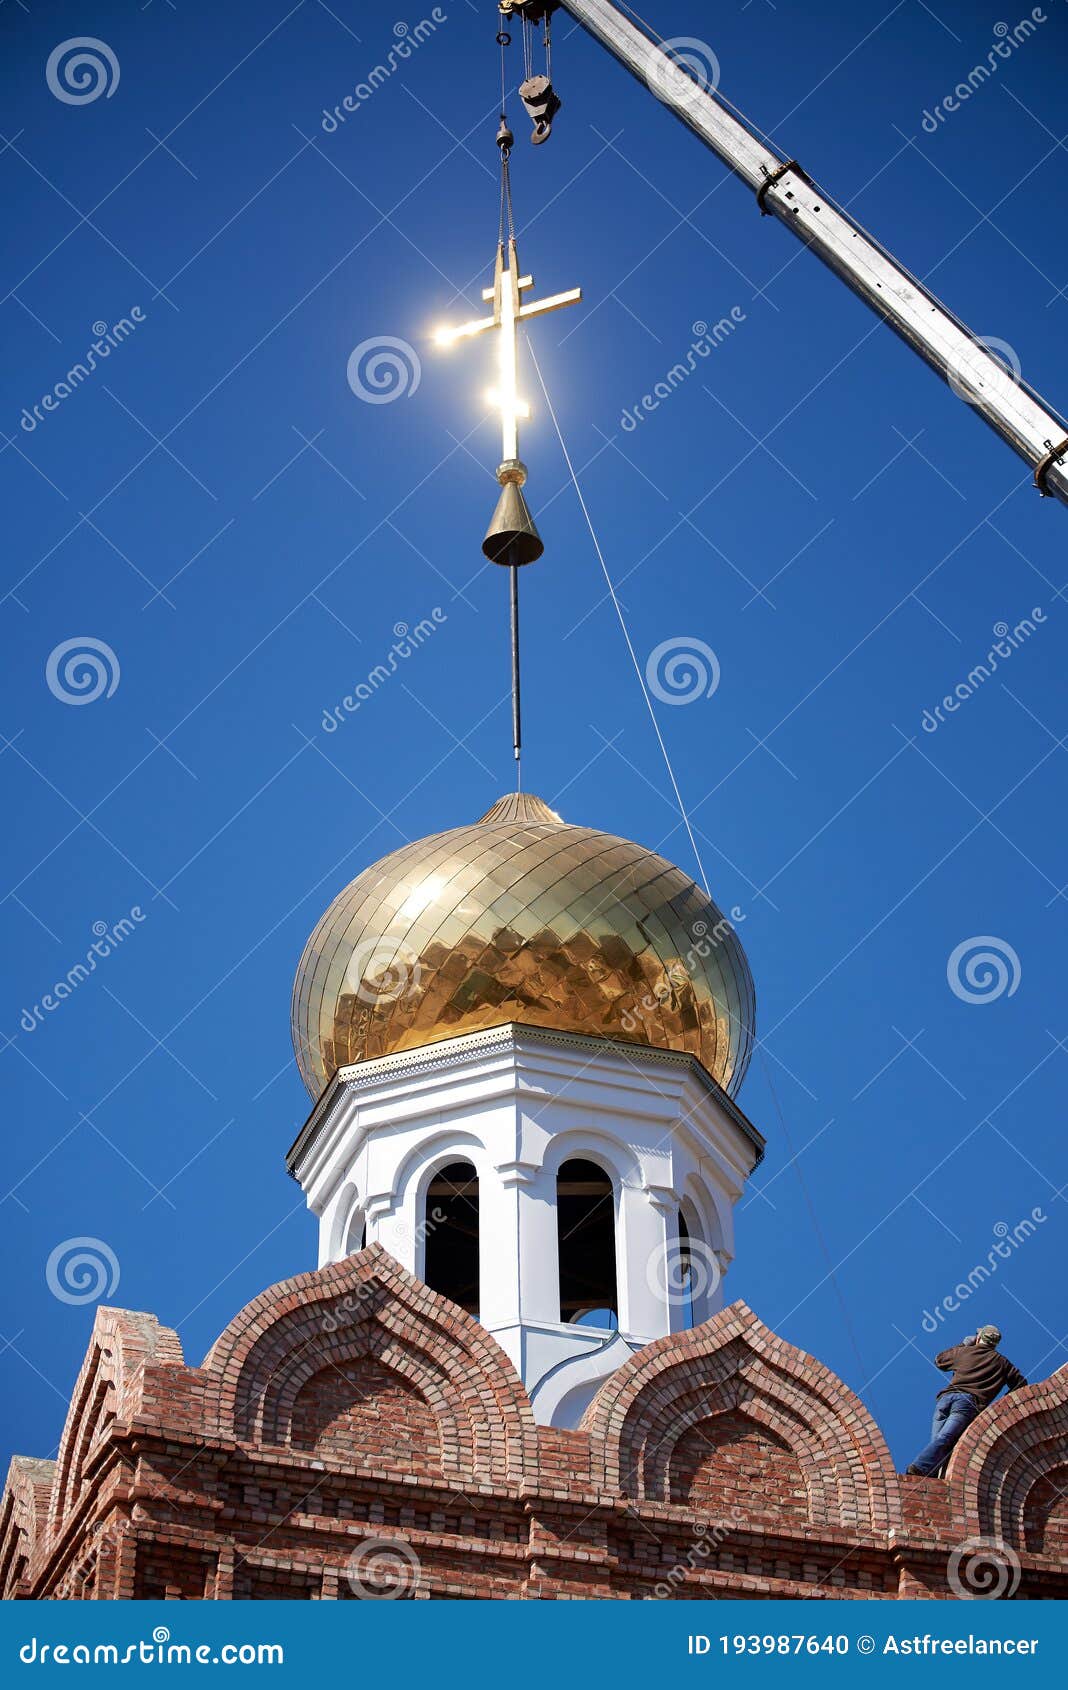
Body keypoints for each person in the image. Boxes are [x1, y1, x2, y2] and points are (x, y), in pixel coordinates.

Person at [906, 1325, 1027, 1477]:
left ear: (978, 1338)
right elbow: (1020, 1383)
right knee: (944, 1440)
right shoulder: (1003, 1363)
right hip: (967, 1403)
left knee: (941, 1441)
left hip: (945, 1401)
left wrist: (963, 1345)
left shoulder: (965, 1351)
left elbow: (939, 1360)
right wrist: (1001, 1403)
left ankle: (928, 1475)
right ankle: (921, 1468)